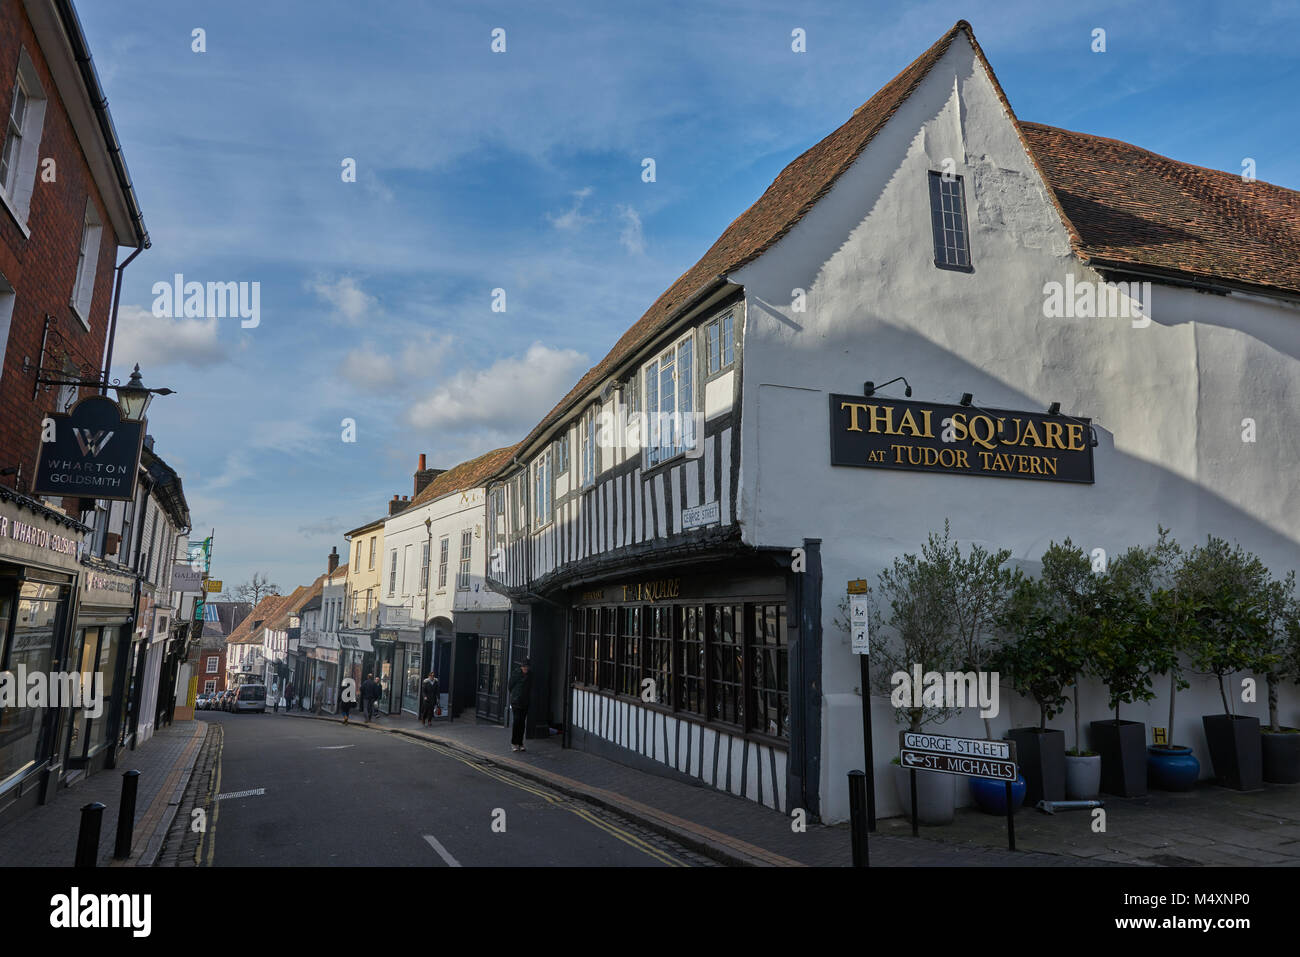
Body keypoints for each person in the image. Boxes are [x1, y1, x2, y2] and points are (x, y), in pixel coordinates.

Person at [508, 658, 532, 752]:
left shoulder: (530, 675)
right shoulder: (516, 674)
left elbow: (530, 687)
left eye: (527, 668)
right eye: (524, 667)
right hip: (516, 702)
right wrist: (515, 695)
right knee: (517, 721)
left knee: (522, 723)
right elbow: (510, 686)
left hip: (525, 702)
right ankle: (514, 743)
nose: (526, 669)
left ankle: (520, 743)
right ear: (521, 667)